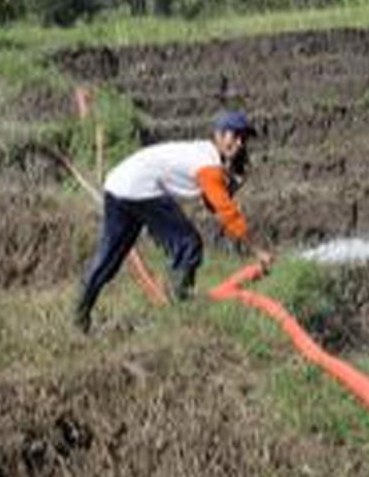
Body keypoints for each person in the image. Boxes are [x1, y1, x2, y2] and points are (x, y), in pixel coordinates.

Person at [75, 110, 274, 333]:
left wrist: (228, 184)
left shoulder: (204, 154)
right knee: (188, 245)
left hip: (118, 184)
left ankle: (79, 318)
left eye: (243, 139)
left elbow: (212, 203)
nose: (238, 143)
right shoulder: (208, 165)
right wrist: (258, 251)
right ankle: (179, 313)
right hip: (140, 188)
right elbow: (226, 213)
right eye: (234, 135)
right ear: (218, 134)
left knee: (109, 256)